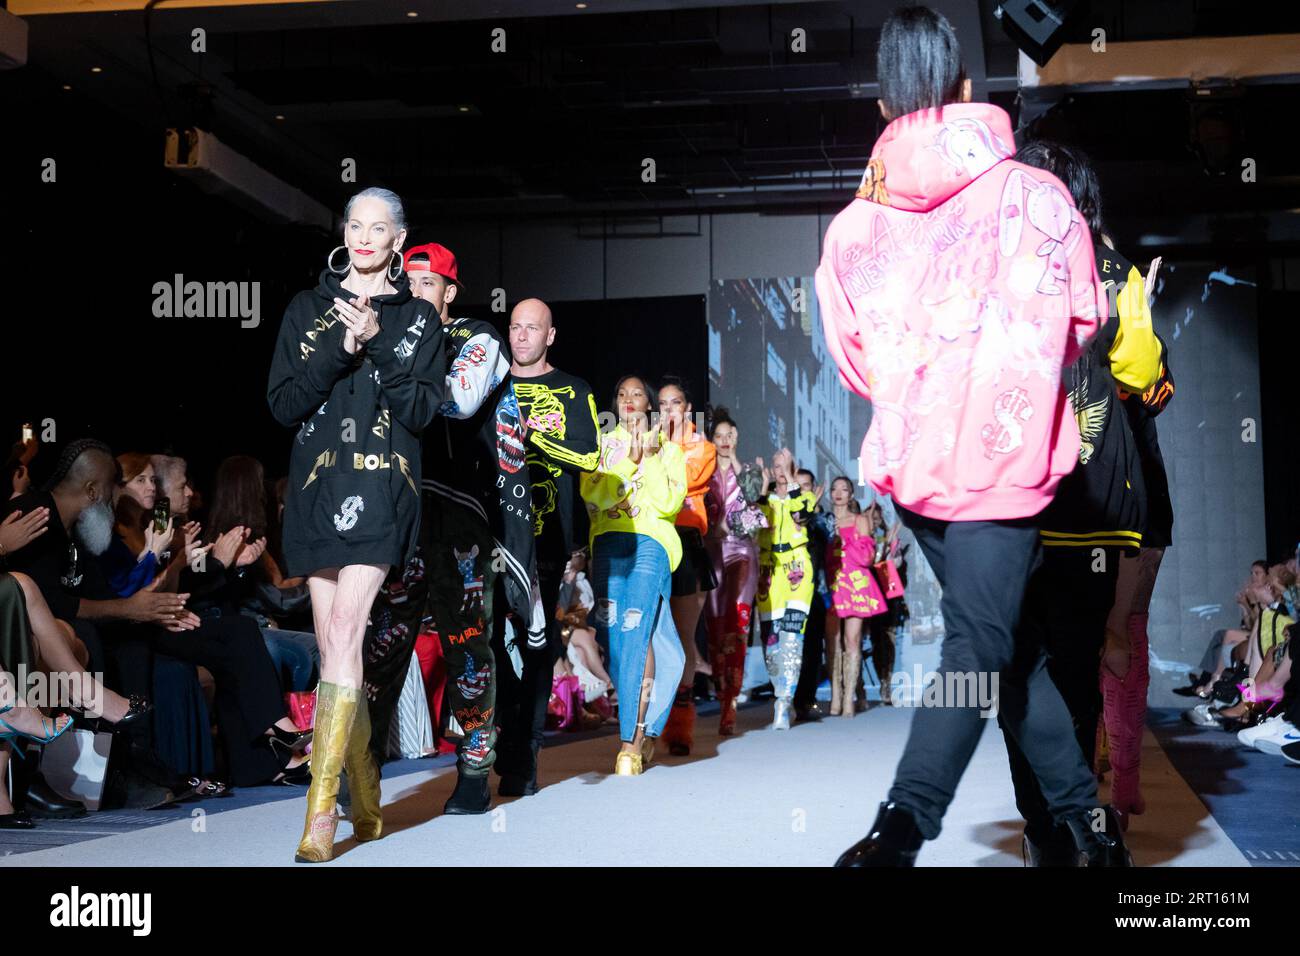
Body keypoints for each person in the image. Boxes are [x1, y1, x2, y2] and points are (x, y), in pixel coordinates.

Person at [817, 7, 1129, 866]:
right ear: (964, 90)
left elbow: (855, 366)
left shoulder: (849, 233)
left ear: (884, 109)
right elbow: (1085, 325)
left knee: (1008, 647)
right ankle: (902, 827)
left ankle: (1087, 832)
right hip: (1006, 455)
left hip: (918, 468)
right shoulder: (1037, 196)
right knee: (985, 644)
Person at [991, 140, 1162, 862]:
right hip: (1089, 516)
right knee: (1075, 673)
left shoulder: (989, 264)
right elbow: (1141, 371)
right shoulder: (1112, 267)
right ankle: (1076, 823)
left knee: (1017, 678)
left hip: (1010, 512)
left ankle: (1045, 829)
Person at [268, 186, 447, 863]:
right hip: (317, 488)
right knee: (332, 649)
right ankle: (368, 800)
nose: (367, 237)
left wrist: (376, 344)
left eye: (381, 228)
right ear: (345, 232)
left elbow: (424, 411)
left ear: (399, 240)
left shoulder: (418, 321)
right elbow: (283, 403)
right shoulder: (306, 309)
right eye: (356, 225)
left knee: (346, 631)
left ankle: (320, 815)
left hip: (382, 487)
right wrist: (338, 347)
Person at [361, 241, 527, 815]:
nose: (413, 292)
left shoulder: (477, 338)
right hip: (397, 509)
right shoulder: (386, 337)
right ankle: (361, 773)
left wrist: (396, 367)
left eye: (426, 284)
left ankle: (475, 770)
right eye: (406, 283)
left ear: (451, 291)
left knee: (465, 642)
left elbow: (457, 399)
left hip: (458, 514)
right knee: (382, 645)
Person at [497, 298, 600, 797]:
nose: (520, 336)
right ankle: (502, 732)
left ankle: (525, 751)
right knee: (486, 638)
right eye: (514, 327)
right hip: (489, 530)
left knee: (537, 642)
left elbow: (588, 454)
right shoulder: (491, 383)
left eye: (531, 328)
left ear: (550, 335)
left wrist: (534, 436)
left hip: (544, 535)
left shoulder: (572, 389)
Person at [580, 375, 687, 774]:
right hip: (609, 543)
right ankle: (648, 727)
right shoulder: (602, 447)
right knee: (617, 639)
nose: (628, 399)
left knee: (636, 629)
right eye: (621, 393)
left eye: (636, 394)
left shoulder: (671, 451)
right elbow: (594, 494)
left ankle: (632, 740)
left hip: (650, 544)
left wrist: (653, 457)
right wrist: (632, 460)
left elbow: (667, 502)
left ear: (648, 405)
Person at [657, 375, 717, 756]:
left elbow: (685, 480)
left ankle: (680, 721)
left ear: (686, 407)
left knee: (684, 634)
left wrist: (659, 448)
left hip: (685, 539)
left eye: (675, 403)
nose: (668, 411)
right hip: (650, 537)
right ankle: (646, 720)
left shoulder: (702, 446)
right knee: (648, 634)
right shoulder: (644, 441)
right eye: (661, 404)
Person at [703, 409, 766, 735]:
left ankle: (730, 703)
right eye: (719, 436)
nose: (725, 441)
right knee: (715, 631)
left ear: (737, 438)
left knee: (737, 626)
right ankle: (721, 692)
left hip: (742, 553)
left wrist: (739, 462)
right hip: (712, 553)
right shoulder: (703, 472)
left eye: (730, 436)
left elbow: (754, 495)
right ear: (711, 439)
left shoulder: (750, 471)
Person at [755, 448, 818, 730]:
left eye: (785, 465)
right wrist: (763, 488)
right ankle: (779, 692)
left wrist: (792, 478)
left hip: (797, 567)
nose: (779, 469)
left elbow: (803, 515)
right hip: (769, 567)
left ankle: (785, 699)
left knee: (793, 635)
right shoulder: (765, 499)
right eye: (776, 464)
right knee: (771, 638)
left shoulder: (803, 496)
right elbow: (753, 523)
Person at [824, 477, 887, 716]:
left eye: (844, 489)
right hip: (830, 584)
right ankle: (836, 697)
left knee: (852, 640)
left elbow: (867, 557)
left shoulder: (860, 520)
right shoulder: (826, 521)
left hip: (855, 585)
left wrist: (849, 540)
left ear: (851, 495)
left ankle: (850, 696)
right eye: (834, 488)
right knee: (832, 641)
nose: (838, 493)